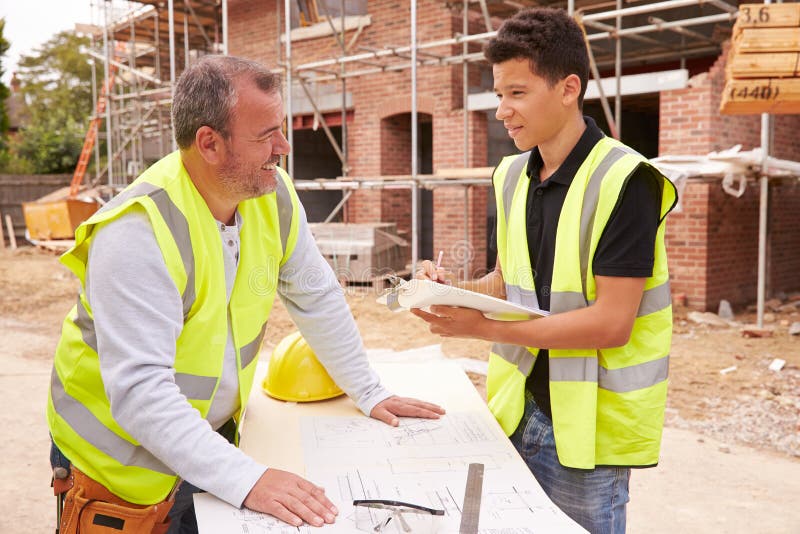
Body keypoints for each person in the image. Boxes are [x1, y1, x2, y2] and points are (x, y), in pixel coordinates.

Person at [47, 55, 444, 534]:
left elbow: (316, 295)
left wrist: (369, 390)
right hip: (119, 471)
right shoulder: (137, 230)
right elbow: (139, 393)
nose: (284, 147)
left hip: (207, 448)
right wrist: (248, 479)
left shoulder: (270, 195)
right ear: (209, 143)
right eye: (266, 135)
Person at [412, 8, 676, 534]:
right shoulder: (511, 174)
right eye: (498, 94)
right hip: (515, 411)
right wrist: (449, 290)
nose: (501, 111)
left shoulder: (627, 180)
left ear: (568, 88)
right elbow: (509, 282)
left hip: (587, 434)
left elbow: (611, 324)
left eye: (517, 92)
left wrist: (481, 328)